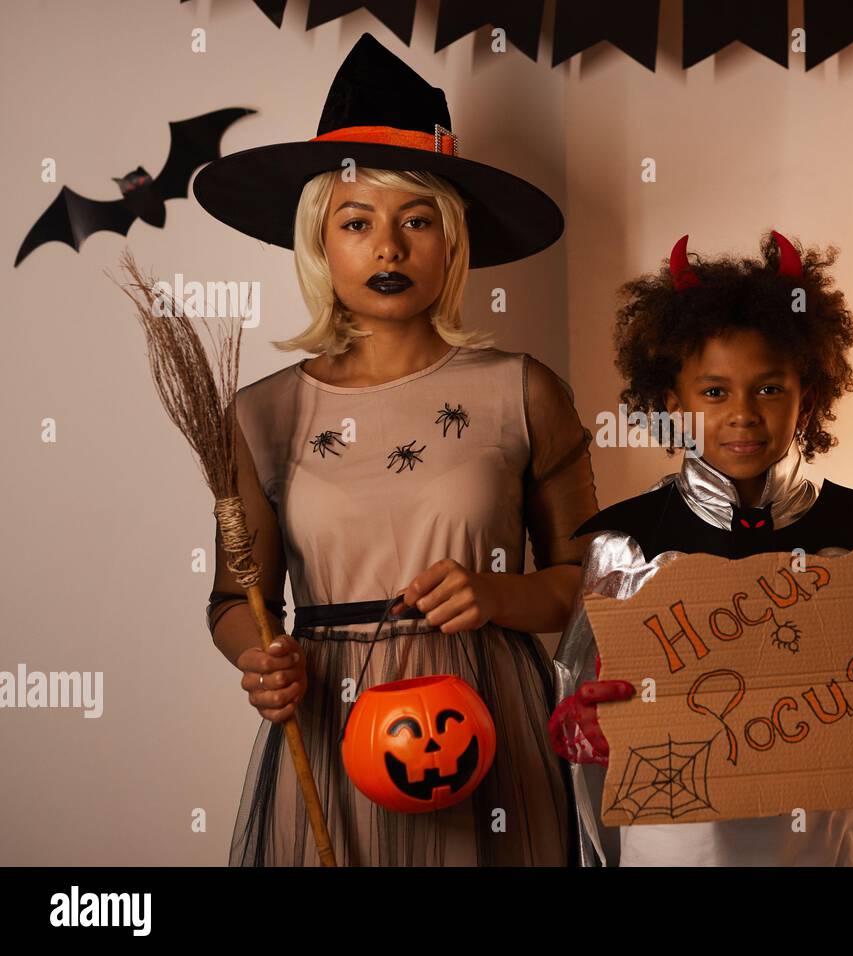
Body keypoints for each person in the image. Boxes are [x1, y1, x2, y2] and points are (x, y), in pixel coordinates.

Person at [194, 33, 597, 866]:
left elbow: (586, 590)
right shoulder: (260, 412)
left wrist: (496, 593)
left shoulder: (526, 389)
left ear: (452, 242)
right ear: (321, 242)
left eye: (417, 220)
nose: (388, 246)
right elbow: (236, 598)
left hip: (493, 731)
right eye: (357, 221)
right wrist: (258, 658)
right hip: (333, 724)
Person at [549, 231, 853, 866]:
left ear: (806, 399)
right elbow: (577, 702)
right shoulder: (630, 547)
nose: (742, 414)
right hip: (676, 840)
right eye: (714, 392)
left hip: (814, 838)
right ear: (673, 405)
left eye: (768, 389)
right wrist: (595, 726)